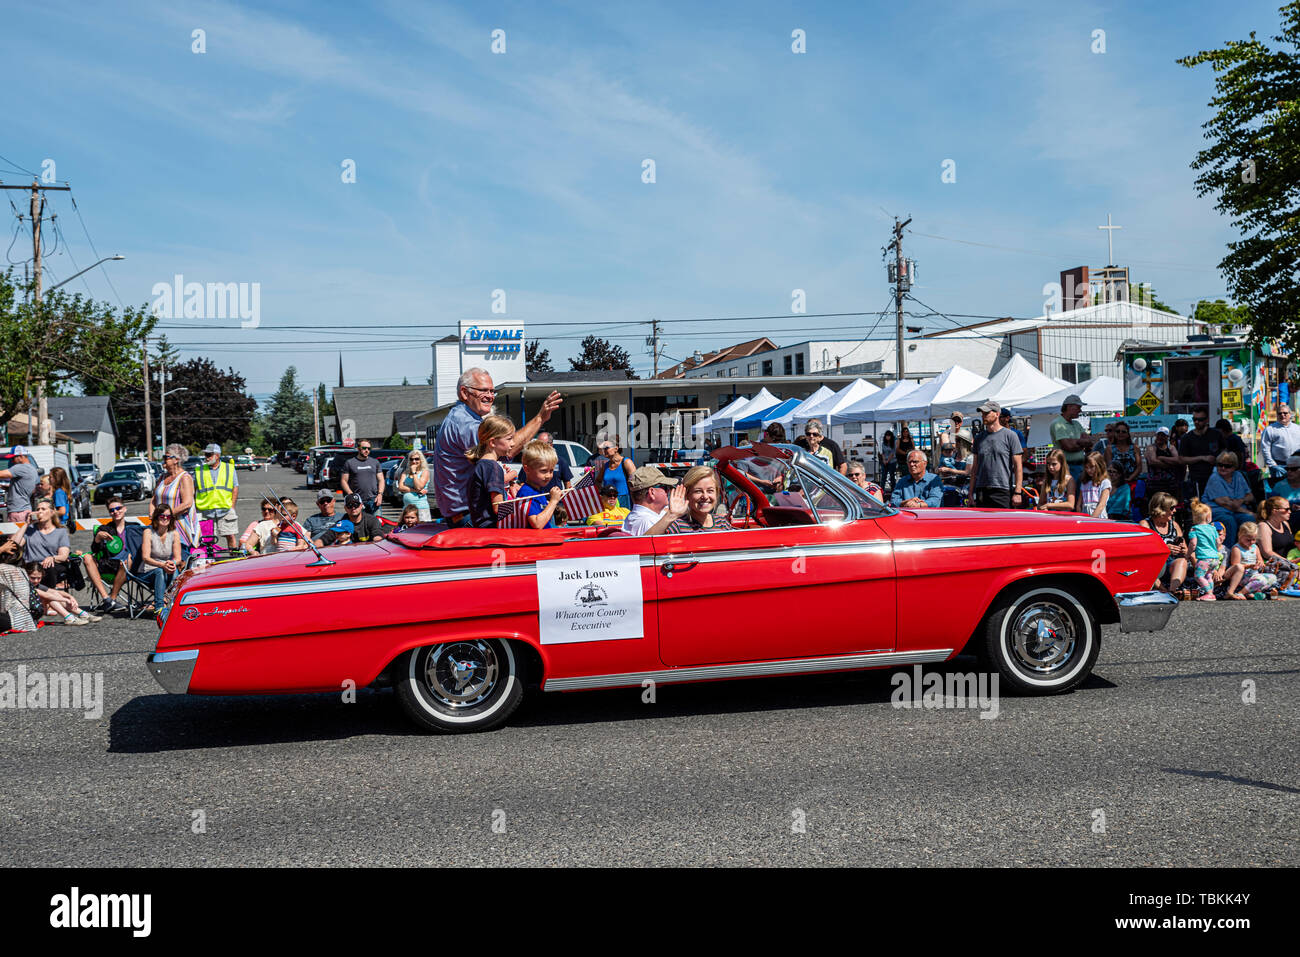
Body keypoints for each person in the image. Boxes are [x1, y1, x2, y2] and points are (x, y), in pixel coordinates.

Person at [433, 367, 562, 527]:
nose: (490, 396)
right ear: (464, 393)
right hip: (472, 518)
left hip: (467, 515)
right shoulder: (466, 424)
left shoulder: (461, 418)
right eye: (484, 390)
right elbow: (498, 505)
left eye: (492, 391)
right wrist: (540, 418)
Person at [970, 400, 1024, 508]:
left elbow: (1018, 466)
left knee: (1003, 519)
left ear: (997, 414)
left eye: (987, 413)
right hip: (982, 489)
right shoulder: (978, 438)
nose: (983, 416)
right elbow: (974, 468)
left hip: (1002, 489)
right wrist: (970, 493)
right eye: (982, 413)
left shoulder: (1010, 435)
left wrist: (1018, 492)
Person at [80, 497, 130, 612]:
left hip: (128, 565)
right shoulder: (104, 529)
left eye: (118, 508)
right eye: (112, 510)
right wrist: (97, 539)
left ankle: (112, 598)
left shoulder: (134, 527)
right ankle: (106, 599)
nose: (115, 512)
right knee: (87, 557)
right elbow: (95, 550)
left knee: (128, 559)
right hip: (108, 564)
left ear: (125, 509)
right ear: (109, 512)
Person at [465, 414, 515, 528]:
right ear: (492, 442)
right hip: (491, 528)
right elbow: (498, 507)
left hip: (479, 526)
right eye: (509, 439)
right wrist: (522, 505)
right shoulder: (493, 467)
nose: (513, 443)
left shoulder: (480, 465)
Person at [194, 443, 240, 550]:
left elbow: (235, 488)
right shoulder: (199, 470)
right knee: (207, 540)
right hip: (205, 511)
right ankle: (211, 559)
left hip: (225, 509)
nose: (207, 457)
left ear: (217, 455)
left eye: (209, 455)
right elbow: (193, 490)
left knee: (230, 536)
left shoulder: (229, 468)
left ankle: (234, 558)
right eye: (206, 455)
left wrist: (232, 506)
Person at [154, 443, 198, 555]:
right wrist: (153, 515)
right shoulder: (162, 477)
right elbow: (154, 499)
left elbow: (187, 504)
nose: (164, 459)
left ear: (176, 460)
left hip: (178, 526)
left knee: (179, 559)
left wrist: (166, 515)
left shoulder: (184, 477)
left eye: (166, 457)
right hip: (161, 526)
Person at [1141, 492, 1188, 595]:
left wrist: (1184, 550)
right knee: (1147, 565)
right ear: (1161, 509)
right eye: (1172, 508)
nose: (1174, 511)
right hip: (1154, 564)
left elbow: (1185, 549)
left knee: (1182, 561)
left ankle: (1171, 591)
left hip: (1171, 565)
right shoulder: (1145, 524)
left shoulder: (1174, 525)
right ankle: (1163, 589)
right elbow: (1142, 550)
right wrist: (1164, 548)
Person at [24, 561, 99, 625]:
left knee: (55, 595)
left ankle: (83, 614)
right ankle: (69, 618)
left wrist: (70, 597)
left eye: (39, 578)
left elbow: (54, 591)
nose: (36, 581)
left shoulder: (35, 584)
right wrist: (65, 600)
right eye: (33, 578)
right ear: (26, 575)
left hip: (35, 609)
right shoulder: (25, 585)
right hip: (26, 614)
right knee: (50, 598)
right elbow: (46, 595)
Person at [17, 499, 70, 588]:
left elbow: (64, 556)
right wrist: (26, 524)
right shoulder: (30, 530)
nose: (39, 511)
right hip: (31, 566)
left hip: (49, 566)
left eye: (43, 509)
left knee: (49, 568)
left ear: (52, 513)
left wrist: (52, 558)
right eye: (38, 509)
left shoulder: (60, 531)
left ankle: (49, 593)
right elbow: (15, 544)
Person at [1203, 452, 1254, 543]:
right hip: (1218, 511)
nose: (1223, 468)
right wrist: (1248, 511)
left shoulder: (1238, 476)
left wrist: (1241, 500)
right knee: (1229, 521)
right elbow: (1227, 504)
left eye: (1227, 466)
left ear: (1234, 467)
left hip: (1237, 511)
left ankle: (1246, 547)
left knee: (1249, 519)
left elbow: (1250, 496)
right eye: (1220, 465)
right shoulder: (1215, 478)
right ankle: (1228, 549)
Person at [139, 504, 182, 611]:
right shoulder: (148, 532)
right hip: (148, 570)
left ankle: (173, 605)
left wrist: (172, 563)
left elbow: (178, 558)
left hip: (166, 567)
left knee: (174, 569)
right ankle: (159, 607)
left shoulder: (174, 533)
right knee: (160, 571)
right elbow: (145, 557)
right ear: (157, 517)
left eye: (168, 516)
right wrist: (162, 565)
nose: (165, 518)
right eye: (162, 516)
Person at [623, 466, 688, 535]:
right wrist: (672, 515)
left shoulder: (637, 516)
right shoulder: (648, 521)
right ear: (652, 492)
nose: (669, 491)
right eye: (666, 488)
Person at [516, 441, 566, 530]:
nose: (548, 476)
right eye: (543, 471)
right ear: (527, 469)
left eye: (551, 471)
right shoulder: (526, 492)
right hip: (533, 538)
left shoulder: (538, 491)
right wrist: (553, 501)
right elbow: (537, 524)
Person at [666, 466, 733, 532]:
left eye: (710, 491)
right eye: (698, 491)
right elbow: (659, 536)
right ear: (687, 495)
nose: (705, 496)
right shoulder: (678, 525)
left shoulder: (722, 524)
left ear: (716, 493)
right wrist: (671, 515)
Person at [1224, 522, 1278, 599]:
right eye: (1248, 540)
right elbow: (1236, 565)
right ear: (1240, 536)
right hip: (1241, 576)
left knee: (1273, 578)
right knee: (1261, 580)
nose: (1252, 542)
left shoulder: (1255, 547)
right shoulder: (1237, 548)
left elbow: (1261, 560)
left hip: (1253, 575)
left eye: (1254, 539)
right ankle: (1241, 592)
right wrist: (1250, 566)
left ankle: (1248, 592)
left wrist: (1259, 563)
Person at [1256, 496, 1298, 590]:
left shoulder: (1285, 524)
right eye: (1286, 509)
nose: (1290, 512)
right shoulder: (1263, 526)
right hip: (1272, 566)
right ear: (1275, 511)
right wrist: (1289, 563)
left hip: (1288, 563)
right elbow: (1267, 552)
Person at [1187, 499, 1224, 601]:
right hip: (1215, 558)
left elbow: (1193, 544)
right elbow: (1218, 542)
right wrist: (1214, 550)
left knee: (1198, 576)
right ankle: (1211, 594)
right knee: (1208, 575)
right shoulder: (1213, 528)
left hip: (1204, 558)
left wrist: (1188, 554)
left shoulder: (1195, 529)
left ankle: (1209, 593)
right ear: (1208, 517)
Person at [1049, 396, 1092, 483]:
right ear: (1069, 407)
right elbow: (1069, 446)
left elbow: (1089, 441)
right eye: (1078, 407)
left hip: (1078, 467)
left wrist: (1075, 442)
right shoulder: (1058, 423)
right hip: (1067, 467)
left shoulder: (1076, 423)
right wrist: (1082, 443)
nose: (1080, 410)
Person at [1178, 410, 1221, 497]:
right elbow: (1181, 459)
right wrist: (1202, 458)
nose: (1197, 422)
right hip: (1197, 478)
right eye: (1194, 419)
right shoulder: (1187, 438)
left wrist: (1219, 459)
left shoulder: (1216, 434)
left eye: (1200, 419)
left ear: (1207, 420)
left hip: (1217, 477)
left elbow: (1225, 451)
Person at [314, 493, 384, 546]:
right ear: (345, 508)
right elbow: (324, 538)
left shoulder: (372, 521)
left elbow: (378, 538)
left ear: (361, 506)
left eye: (356, 504)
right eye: (349, 505)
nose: (353, 508)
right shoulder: (342, 522)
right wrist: (316, 546)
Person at [0, 537, 38, 633]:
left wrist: (1, 549)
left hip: (12, 620)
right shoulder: (21, 570)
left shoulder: (3, 569)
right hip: (24, 620)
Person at [588, 438, 635, 509]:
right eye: (603, 448)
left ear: (616, 448)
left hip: (623, 500)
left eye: (607, 448)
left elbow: (635, 483)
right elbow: (597, 481)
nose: (604, 450)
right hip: (608, 502)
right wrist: (603, 492)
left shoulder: (626, 462)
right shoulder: (605, 466)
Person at [341, 441, 385, 515]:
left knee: (377, 521)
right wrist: (351, 495)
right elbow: (343, 481)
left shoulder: (375, 462)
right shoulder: (349, 463)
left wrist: (380, 494)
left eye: (369, 448)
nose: (367, 450)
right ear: (358, 449)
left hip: (374, 500)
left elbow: (381, 480)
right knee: (359, 522)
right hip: (357, 501)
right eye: (364, 448)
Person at [0, 445, 40, 524]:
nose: (12, 461)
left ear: (21, 456)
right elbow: (25, 488)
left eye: (13, 458)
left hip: (18, 512)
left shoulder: (21, 467)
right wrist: (9, 488)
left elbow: (1, 474)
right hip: (24, 509)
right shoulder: (32, 469)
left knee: (15, 532)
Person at [1143, 427, 1184, 502]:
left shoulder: (1171, 448)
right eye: (1159, 435)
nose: (1160, 437)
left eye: (1163, 435)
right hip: (1154, 484)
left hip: (1170, 484)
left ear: (1167, 437)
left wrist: (1162, 458)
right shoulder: (1151, 448)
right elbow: (1153, 461)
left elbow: (1178, 460)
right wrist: (1170, 464)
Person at [1261, 404, 1300, 479]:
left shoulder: (1297, 428)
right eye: (1280, 413)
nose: (1282, 415)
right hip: (1279, 465)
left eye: (1285, 413)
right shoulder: (1270, 429)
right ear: (1277, 415)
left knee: (1296, 485)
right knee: (1280, 486)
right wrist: (1272, 465)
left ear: (1290, 414)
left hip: (1296, 465)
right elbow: (1265, 448)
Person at [397, 449, 432, 521]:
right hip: (407, 508)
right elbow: (400, 487)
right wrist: (416, 491)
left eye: (416, 459)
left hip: (420, 507)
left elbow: (419, 487)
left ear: (421, 460)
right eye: (411, 459)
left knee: (421, 527)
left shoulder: (424, 472)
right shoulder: (405, 472)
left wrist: (414, 472)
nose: (414, 461)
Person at [1107, 421, 1142, 487]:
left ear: (1128, 434)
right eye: (1118, 431)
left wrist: (1129, 479)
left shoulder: (1135, 448)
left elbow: (1139, 467)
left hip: (1132, 482)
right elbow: (1109, 467)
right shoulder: (1109, 449)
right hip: (1115, 484)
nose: (1120, 433)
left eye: (1123, 431)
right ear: (1115, 434)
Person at [1077, 452, 1112, 519]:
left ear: (1100, 465)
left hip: (1098, 517)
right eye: (1086, 467)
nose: (1088, 470)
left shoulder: (1105, 482)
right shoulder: (1084, 483)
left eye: (1092, 467)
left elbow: (1101, 504)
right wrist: (1080, 515)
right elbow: (1079, 504)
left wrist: (1092, 519)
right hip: (1084, 515)